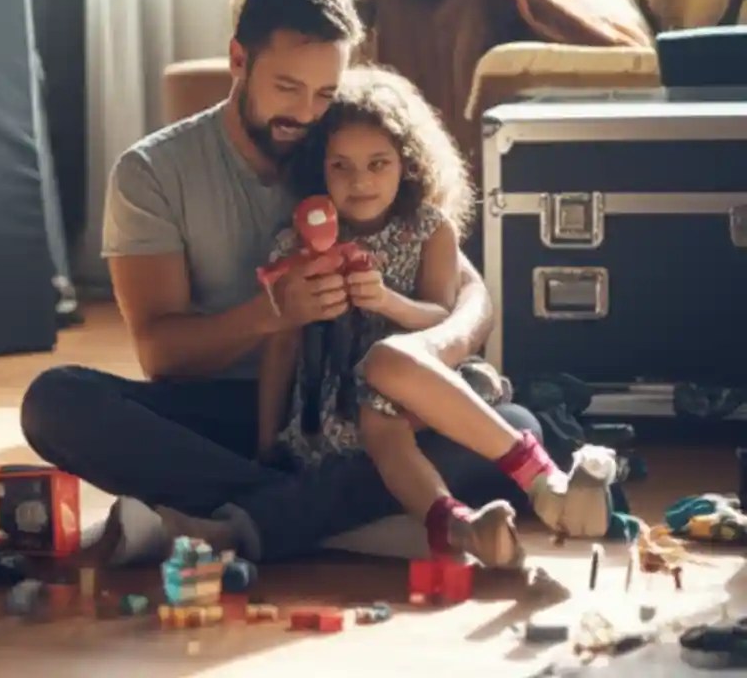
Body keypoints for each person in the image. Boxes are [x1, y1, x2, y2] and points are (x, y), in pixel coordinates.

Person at [18, 0, 559, 566]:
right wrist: (271, 316)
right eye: (286, 87)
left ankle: (242, 522)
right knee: (56, 401)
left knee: (511, 420)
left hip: (364, 410)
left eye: (324, 92)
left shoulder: (346, 151)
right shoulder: (151, 173)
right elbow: (162, 355)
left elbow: (468, 291)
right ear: (237, 61)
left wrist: (426, 351)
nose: (305, 113)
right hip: (228, 416)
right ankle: (324, 518)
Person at [257, 67, 614, 569]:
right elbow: (281, 345)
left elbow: (440, 319)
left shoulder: (427, 229)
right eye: (341, 166)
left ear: (408, 164)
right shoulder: (297, 244)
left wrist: (385, 302)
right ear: (321, 170)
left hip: (421, 388)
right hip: (337, 413)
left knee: (385, 367)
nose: (360, 181)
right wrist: (264, 441)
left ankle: (540, 483)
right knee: (377, 416)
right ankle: (459, 526)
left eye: (378, 163)